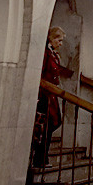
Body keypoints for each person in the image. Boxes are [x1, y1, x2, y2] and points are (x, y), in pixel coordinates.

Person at [31, 26, 70, 167]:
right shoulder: (45, 54)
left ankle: (42, 156)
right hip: (44, 95)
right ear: (51, 39)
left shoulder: (53, 53)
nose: (60, 44)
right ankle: (40, 158)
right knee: (46, 126)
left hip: (52, 94)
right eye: (59, 40)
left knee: (55, 122)